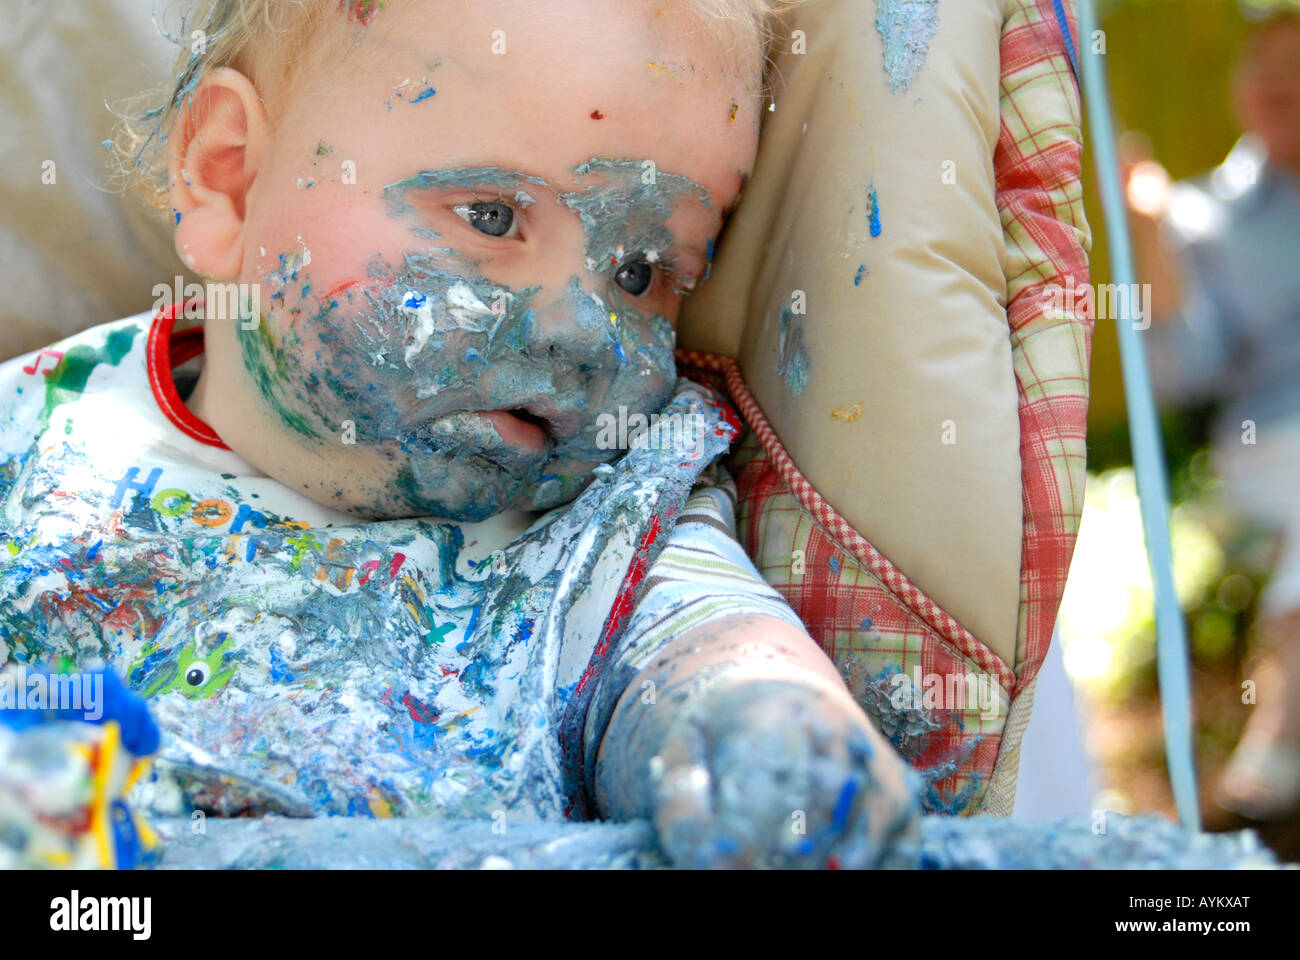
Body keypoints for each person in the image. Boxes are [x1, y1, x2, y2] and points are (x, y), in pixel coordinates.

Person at [0, 0, 921, 869]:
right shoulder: (26, 443)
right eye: (492, 216)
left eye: (641, 273)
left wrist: (775, 734)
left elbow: (712, 657)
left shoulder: (601, 526)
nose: (580, 328)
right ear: (232, 176)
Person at [1124, 9, 1300, 821]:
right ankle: (1285, 720)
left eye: (1295, 65)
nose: (1277, 85)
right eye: (1261, 65)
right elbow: (1182, 373)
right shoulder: (1200, 214)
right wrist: (1150, 241)